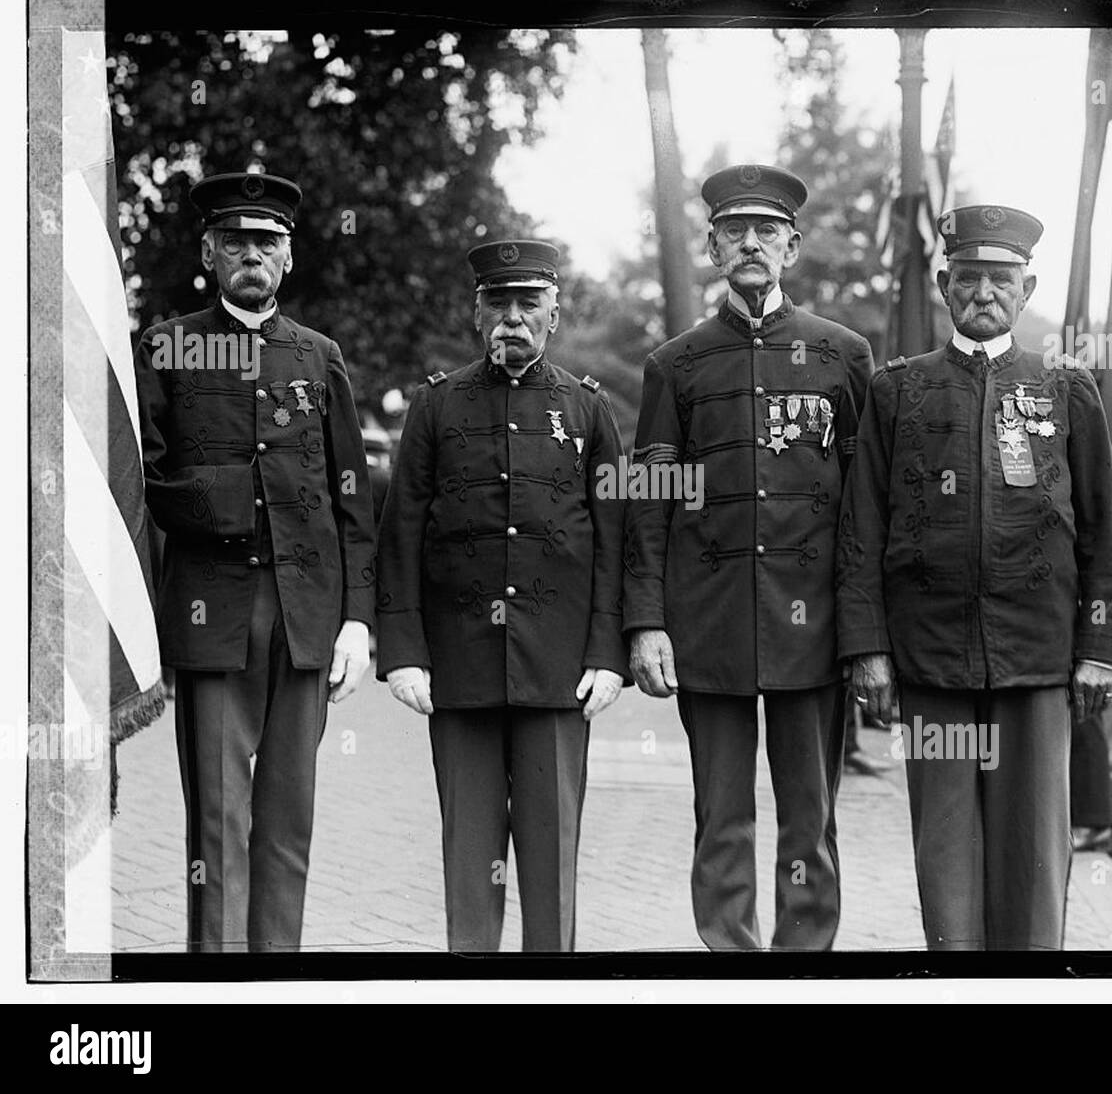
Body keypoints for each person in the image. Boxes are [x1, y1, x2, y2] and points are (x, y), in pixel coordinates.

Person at [837, 204, 1112, 951]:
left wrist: (1099, 645)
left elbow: (1104, 531)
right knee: (946, 852)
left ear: (1027, 289)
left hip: (1037, 659)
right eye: (969, 277)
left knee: (1035, 852)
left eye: (1002, 279)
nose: (985, 293)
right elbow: (861, 531)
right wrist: (867, 649)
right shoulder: (896, 391)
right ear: (944, 283)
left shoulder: (1067, 389)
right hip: (931, 661)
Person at [623, 164, 875, 950]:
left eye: (767, 231)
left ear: (793, 246)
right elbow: (649, 502)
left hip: (814, 625)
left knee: (811, 815)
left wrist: (865, 638)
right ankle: (731, 965)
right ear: (711, 246)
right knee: (721, 815)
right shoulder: (677, 363)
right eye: (735, 231)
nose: (752, 243)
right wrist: (646, 623)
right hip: (712, 623)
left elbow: (866, 509)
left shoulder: (843, 355)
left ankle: (801, 965)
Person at [134, 172, 376, 952]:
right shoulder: (168, 346)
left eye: (267, 242)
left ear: (288, 258)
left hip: (306, 615)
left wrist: (359, 622)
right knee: (218, 819)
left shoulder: (319, 355)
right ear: (209, 251)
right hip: (212, 610)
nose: (251, 255)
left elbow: (350, 499)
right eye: (235, 242)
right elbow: (143, 478)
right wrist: (234, 499)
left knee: (287, 819)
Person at [377, 239, 627, 952]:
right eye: (498, 304)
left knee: (552, 873)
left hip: (559, 674)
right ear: (476, 312)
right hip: (458, 670)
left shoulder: (586, 410)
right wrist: (404, 652)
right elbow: (401, 533)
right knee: (469, 864)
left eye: (528, 305)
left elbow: (616, 540)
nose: (512, 319)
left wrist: (609, 652)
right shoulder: (435, 406)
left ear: (554, 313)